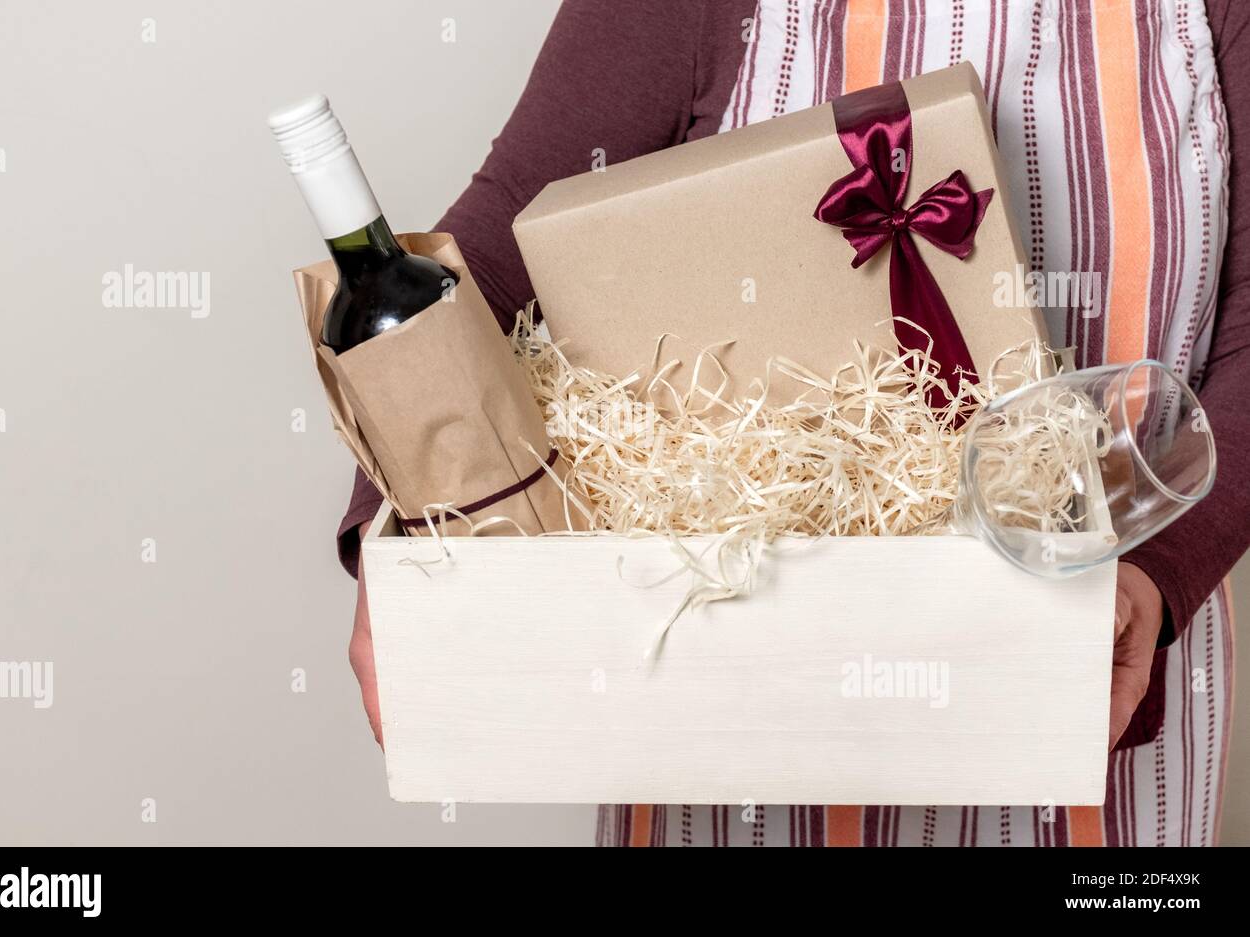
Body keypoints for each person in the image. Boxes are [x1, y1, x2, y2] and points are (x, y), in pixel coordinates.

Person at [338, 0, 1249, 846]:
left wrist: (1159, 576)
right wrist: (392, 522)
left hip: (1101, 684)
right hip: (742, 714)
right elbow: (490, 260)